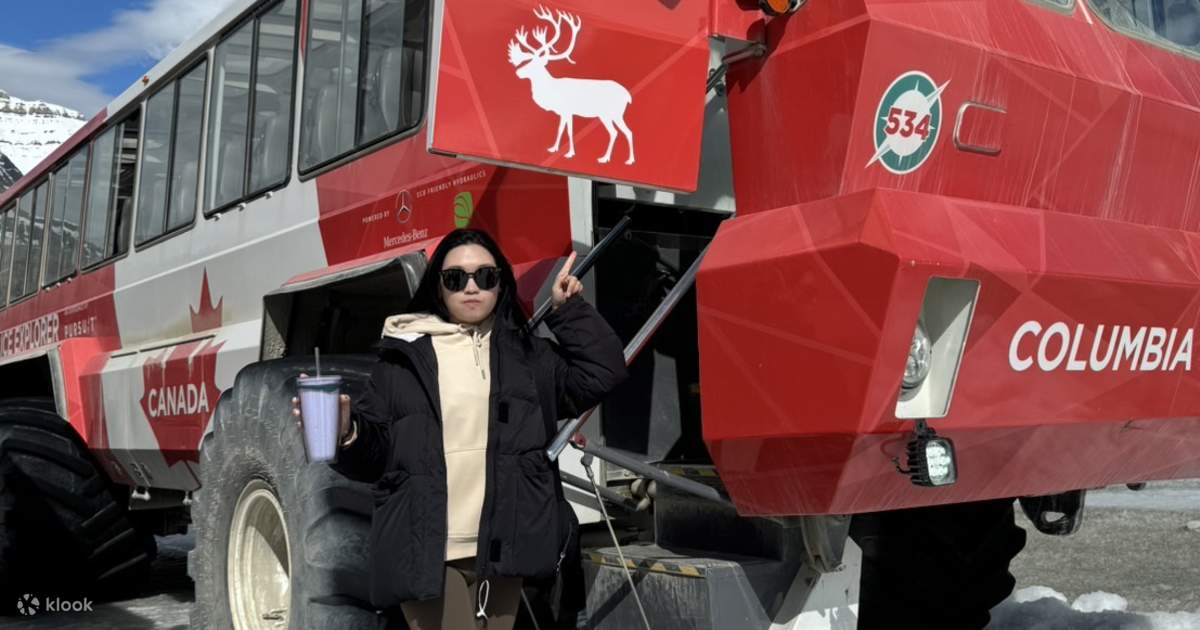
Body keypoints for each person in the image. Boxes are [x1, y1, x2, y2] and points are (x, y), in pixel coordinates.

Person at [292, 228, 628, 629]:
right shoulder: (401, 360)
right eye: (456, 278)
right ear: (438, 286)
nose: (471, 287)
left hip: (504, 548)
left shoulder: (529, 356)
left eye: (485, 276)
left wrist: (568, 311)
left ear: (501, 284)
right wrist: (348, 434)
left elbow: (604, 373)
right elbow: (375, 460)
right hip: (426, 549)